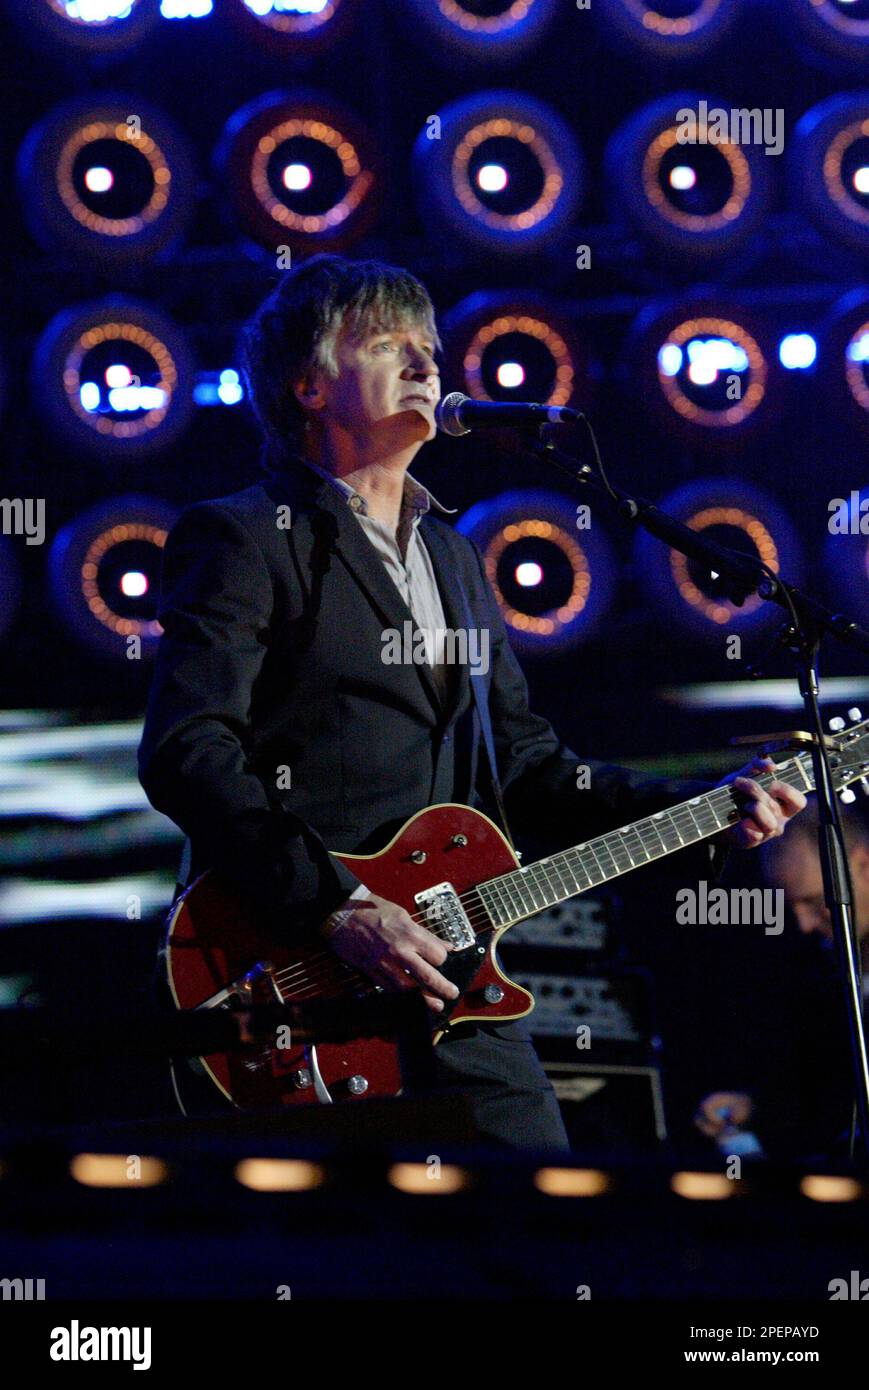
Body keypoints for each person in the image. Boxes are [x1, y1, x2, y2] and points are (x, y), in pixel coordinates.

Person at [138, 253, 806, 1152]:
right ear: (306, 385)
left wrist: (702, 810)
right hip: (298, 974)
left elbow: (528, 768)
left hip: (458, 982)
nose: (424, 364)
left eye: (428, 347)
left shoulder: (454, 555)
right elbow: (188, 750)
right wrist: (339, 908)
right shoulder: (246, 536)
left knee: (547, 1232)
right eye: (385, 345)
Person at [694, 799, 869, 1158]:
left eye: (816, 901)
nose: (804, 924)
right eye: (793, 907)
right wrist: (756, 1109)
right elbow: (825, 1100)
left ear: (864, 864)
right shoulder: (817, 974)